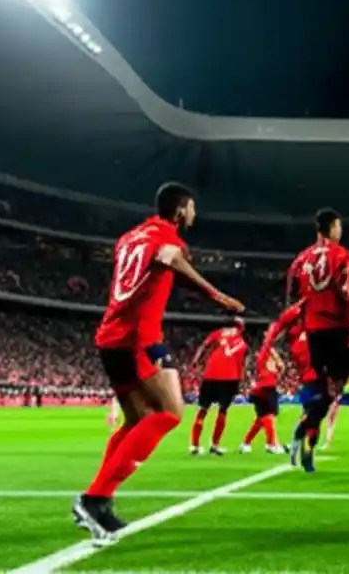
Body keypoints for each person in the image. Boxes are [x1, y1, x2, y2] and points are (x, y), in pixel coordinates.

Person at [73, 182, 245, 545]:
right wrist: (219, 297)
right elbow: (170, 258)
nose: (195, 214)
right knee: (169, 413)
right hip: (138, 338)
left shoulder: (129, 237)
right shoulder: (168, 237)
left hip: (115, 334)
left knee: (137, 419)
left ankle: (99, 500)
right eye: (193, 208)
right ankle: (95, 498)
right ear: (181, 211)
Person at [285, 208, 349, 472]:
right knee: (337, 384)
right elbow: (347, 295)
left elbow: (290, 296)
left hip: (313, 331)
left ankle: (307, 434)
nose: (340, 231)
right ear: (331, 228)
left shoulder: (301, 259)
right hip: (337, 329)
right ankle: (307, 423)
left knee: (322, 389)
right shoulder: (343, 256)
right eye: (339, 227)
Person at [259, 301, 327, 460]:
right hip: (310, 379)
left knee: (311, 415)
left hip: (317, 378)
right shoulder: (297, 332)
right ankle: (299, 445)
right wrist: (272, 334)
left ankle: (300, 445)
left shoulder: (312, 331)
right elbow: (280, 333)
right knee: (309, 414)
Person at [188, 318, 248, 456]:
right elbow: (242, 364)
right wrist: (241, 380)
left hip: (210, 376)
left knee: (202, 410)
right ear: (241, 327)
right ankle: (215, 445)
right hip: (230, 379)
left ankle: (194, 445)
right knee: (223, 411)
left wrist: (195, 362)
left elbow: (203, 346)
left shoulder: (217, 334)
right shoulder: (242, 343)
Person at [240, 343, 286, 454]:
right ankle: (271, 444)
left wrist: (274, 353)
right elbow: (265, 354)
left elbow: (282, 366)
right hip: (260, 391)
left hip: (270, 391)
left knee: (261, 420)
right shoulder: (262, 363)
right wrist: (268, 344)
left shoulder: (275, 367)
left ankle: (246, 443)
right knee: (269, 417)